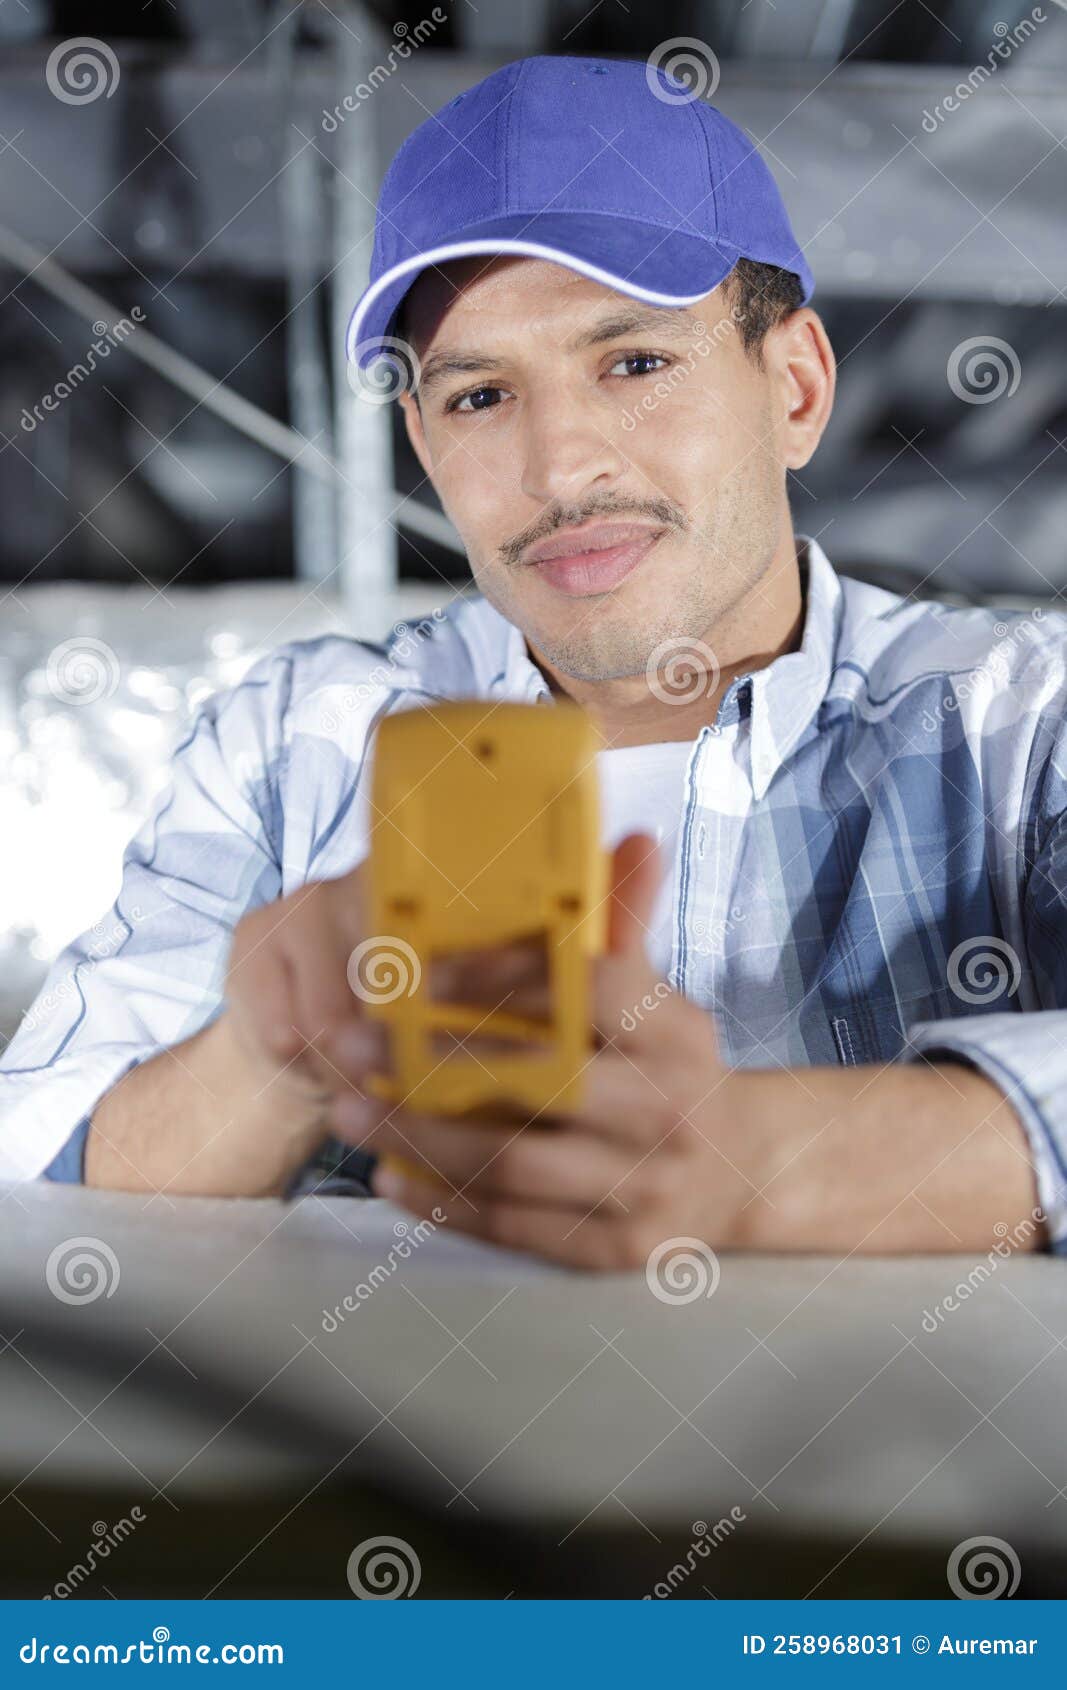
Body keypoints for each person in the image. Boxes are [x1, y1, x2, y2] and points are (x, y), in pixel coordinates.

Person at [2, 55, 1062, 1268]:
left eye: (634, 363)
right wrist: (266, 1058)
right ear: (420, 440)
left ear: (796, 389)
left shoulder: (1021, 723)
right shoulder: (295, 743)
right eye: (478, 397)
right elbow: (35, 1158)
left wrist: (751, 1161)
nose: (559, 468)